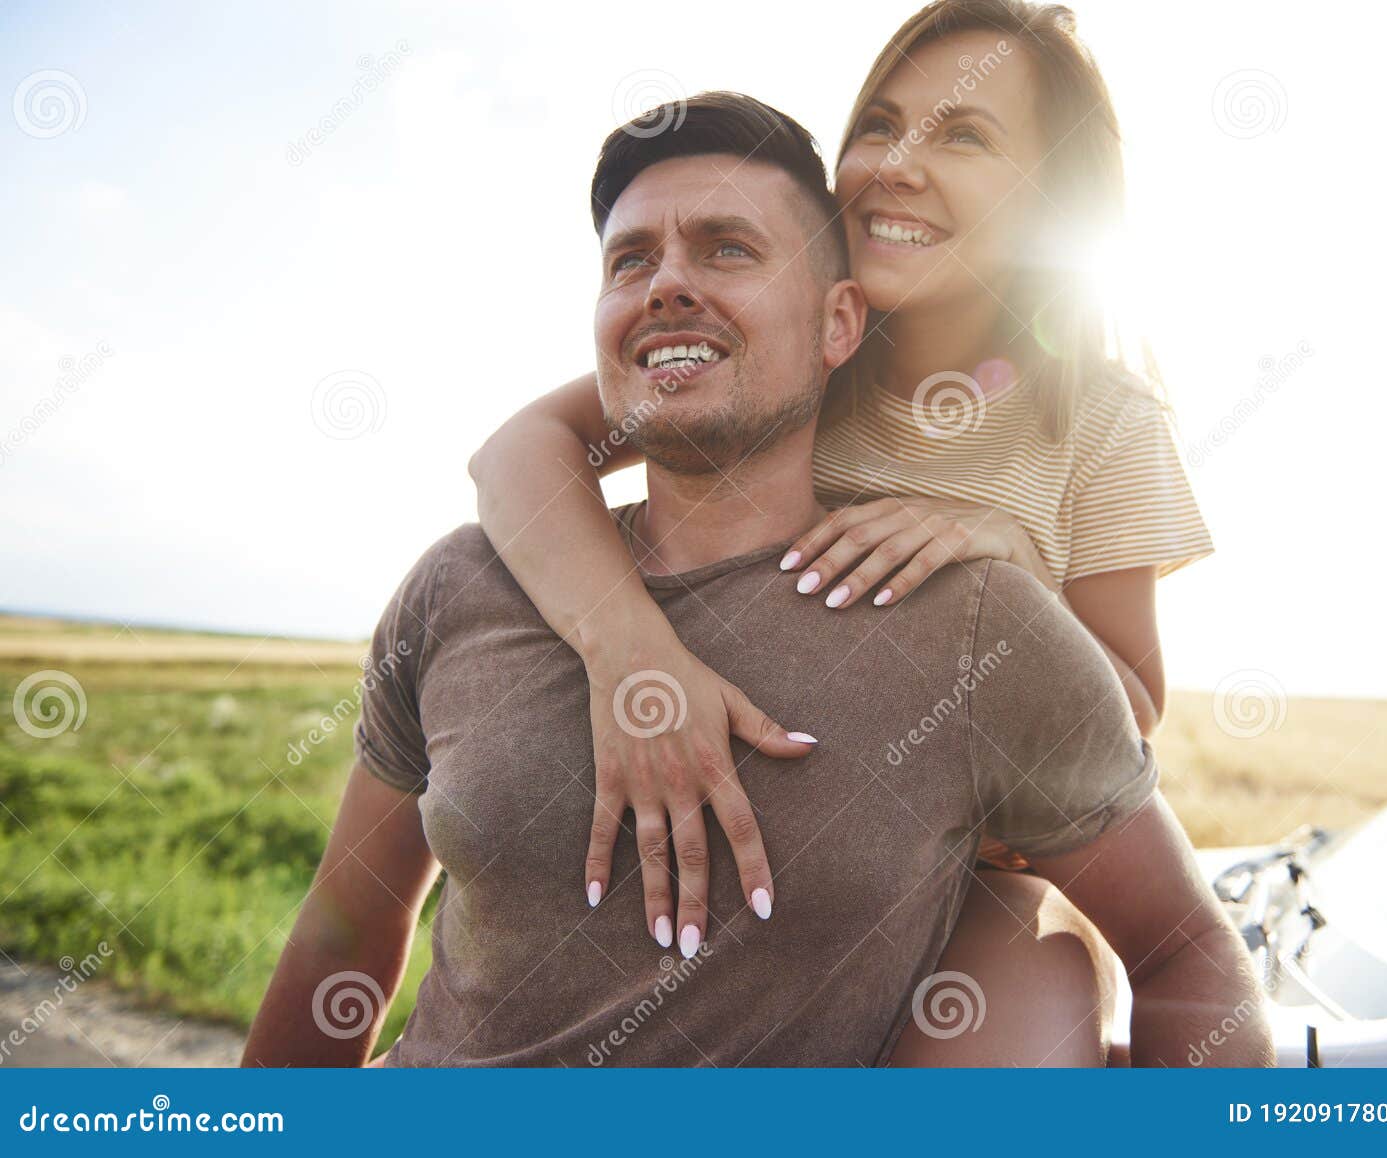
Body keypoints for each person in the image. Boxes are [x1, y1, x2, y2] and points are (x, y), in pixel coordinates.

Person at [241, 92, 1269, 1067]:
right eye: (629, 260)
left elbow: (1186, 958)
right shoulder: (463, 583)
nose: (666, 285)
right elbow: (347, 928)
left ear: (837, 326)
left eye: (728, 249)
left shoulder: (971, 624)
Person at [467, 0, 1215, 1052]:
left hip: (979, 885)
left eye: (962, 136)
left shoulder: (1098, 420)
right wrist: (631, 653)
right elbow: (515, 458)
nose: (895, 166)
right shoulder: (790, 352)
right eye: (880, 125)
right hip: (787, 834)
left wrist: (1006, 561)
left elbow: (1127, 713)